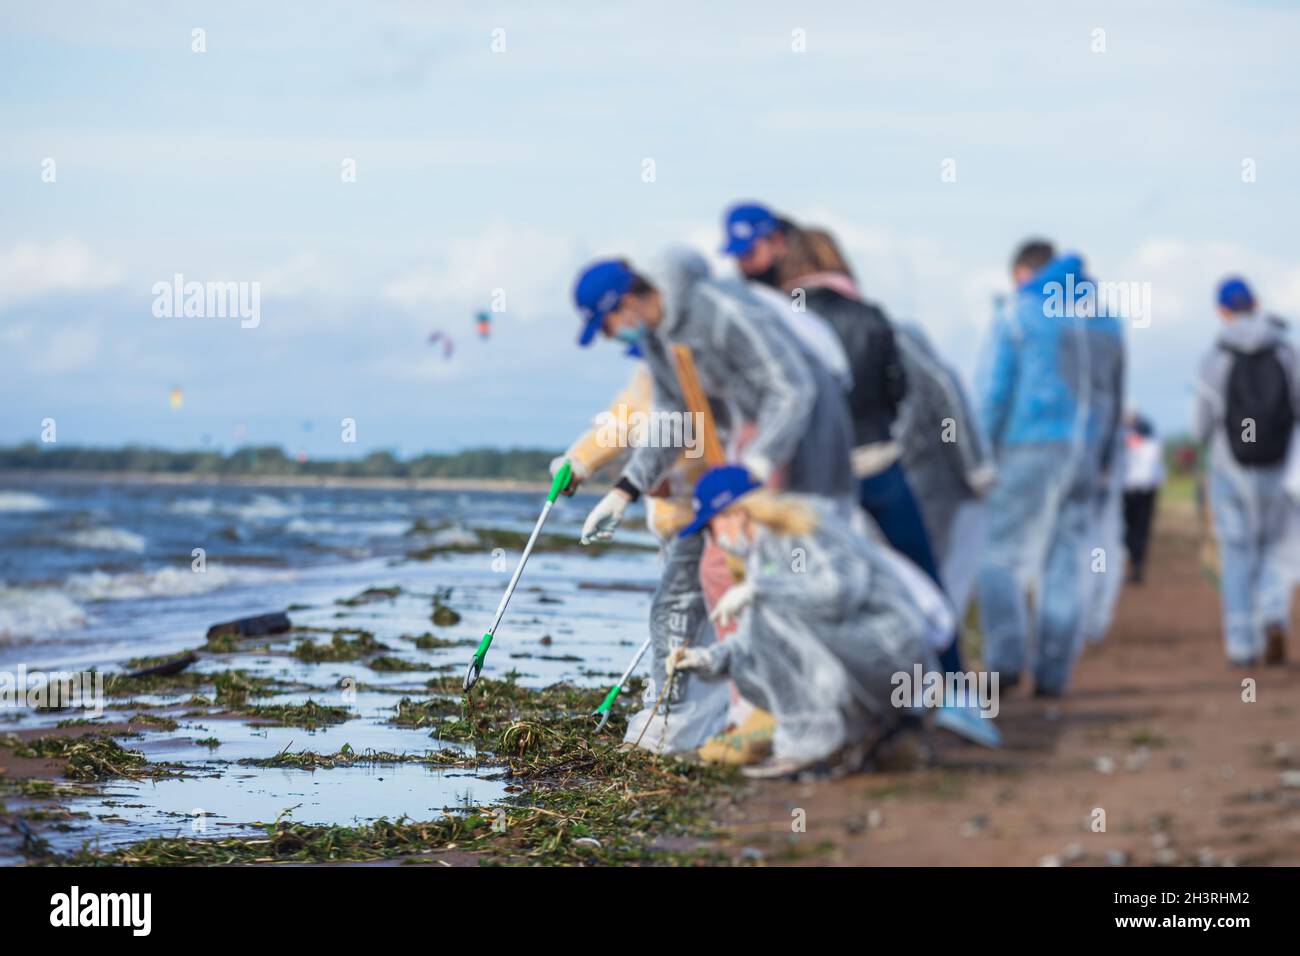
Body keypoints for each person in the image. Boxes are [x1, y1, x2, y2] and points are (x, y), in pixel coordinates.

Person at [720, 203, 1001, 748]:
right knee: (922, 585)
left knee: (817, 593)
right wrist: (969, 464)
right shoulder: (875, 317)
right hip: (881, 467)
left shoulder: (778, 322)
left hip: (812, 481)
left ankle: (828, 712)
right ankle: (954, 699)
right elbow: (915, 388)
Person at [569, 248, 855, 753]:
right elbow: (675, 417)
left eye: (607, 324)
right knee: (686, 587)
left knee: (766, 578)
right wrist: (626, 488)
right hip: (736, 463)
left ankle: (783, 716)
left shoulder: (717, 310)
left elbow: (792, 387)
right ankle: (675, 723)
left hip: (802, 450)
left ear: (626, 303)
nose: (612, 337)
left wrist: (760, 465)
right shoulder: (659, 339)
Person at [667, 465, 949, 778]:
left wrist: (759, 590)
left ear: (737, 514)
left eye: (711, 528)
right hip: (867, 653)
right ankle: (865, 735)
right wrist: (707, 660)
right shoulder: (763, 551)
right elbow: (753, 637)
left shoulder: (802, 526)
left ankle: (811, 747)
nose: (714, 540)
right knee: (748, 659)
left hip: (891, 648)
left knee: (769, 610)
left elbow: (837, 592)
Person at [975, 240, 1124, 696]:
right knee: (1066, 562)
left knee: (997, 555)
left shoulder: (1018, 314)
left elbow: (993, 393)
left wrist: (978, 457)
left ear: (1023, 273)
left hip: (1025, 446)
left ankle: (1004, 661)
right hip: (1085, 453)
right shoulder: (1106, 321)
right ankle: (1053, 674)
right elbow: (1115, 399)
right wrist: (1102, 464)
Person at [1194, 276, 1300, 667]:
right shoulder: (1287, 351)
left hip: (1230, 468)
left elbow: (1201, 424)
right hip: (1280, 466)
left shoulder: (1216, 357)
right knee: (1276, 548)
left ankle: (1242, 644)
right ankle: (1274, 615)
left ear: (1221, 311)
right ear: (1255, 302)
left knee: (1237, 553)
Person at [1121, 412, 1165, 585]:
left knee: (1132, 529)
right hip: (1144, 489)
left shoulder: (1130, 439)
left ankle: (1135, 566)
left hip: (1133, 489)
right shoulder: (1151, 440)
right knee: (1139, 529)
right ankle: (1135, 566)